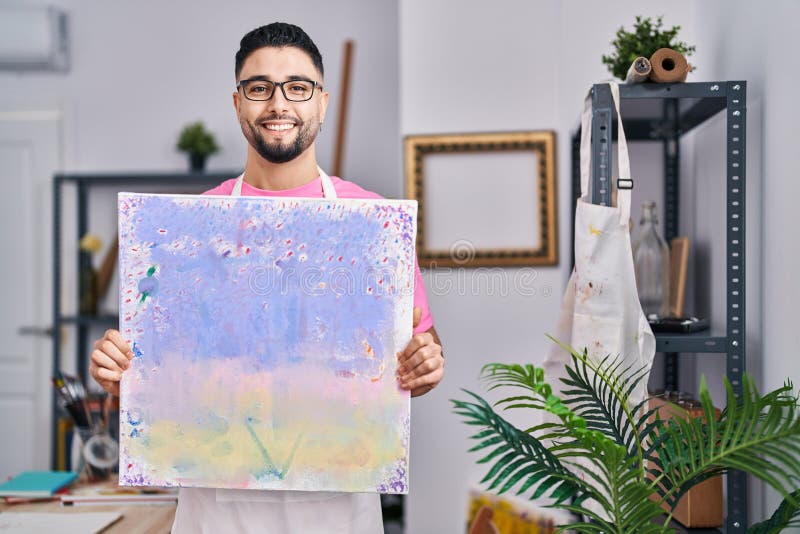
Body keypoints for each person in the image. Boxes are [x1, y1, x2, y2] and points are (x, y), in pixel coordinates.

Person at [89, 22, 444, 533]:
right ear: (238, 103)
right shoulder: (185, 228)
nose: (279, 104)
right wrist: (119, 372)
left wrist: (427, 363)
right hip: (215, 509)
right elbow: (157, 377)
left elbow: (420, 350)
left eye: (297, 87)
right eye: (260, 88)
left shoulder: (375, 223)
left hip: (337, 507)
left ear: (322, 101)